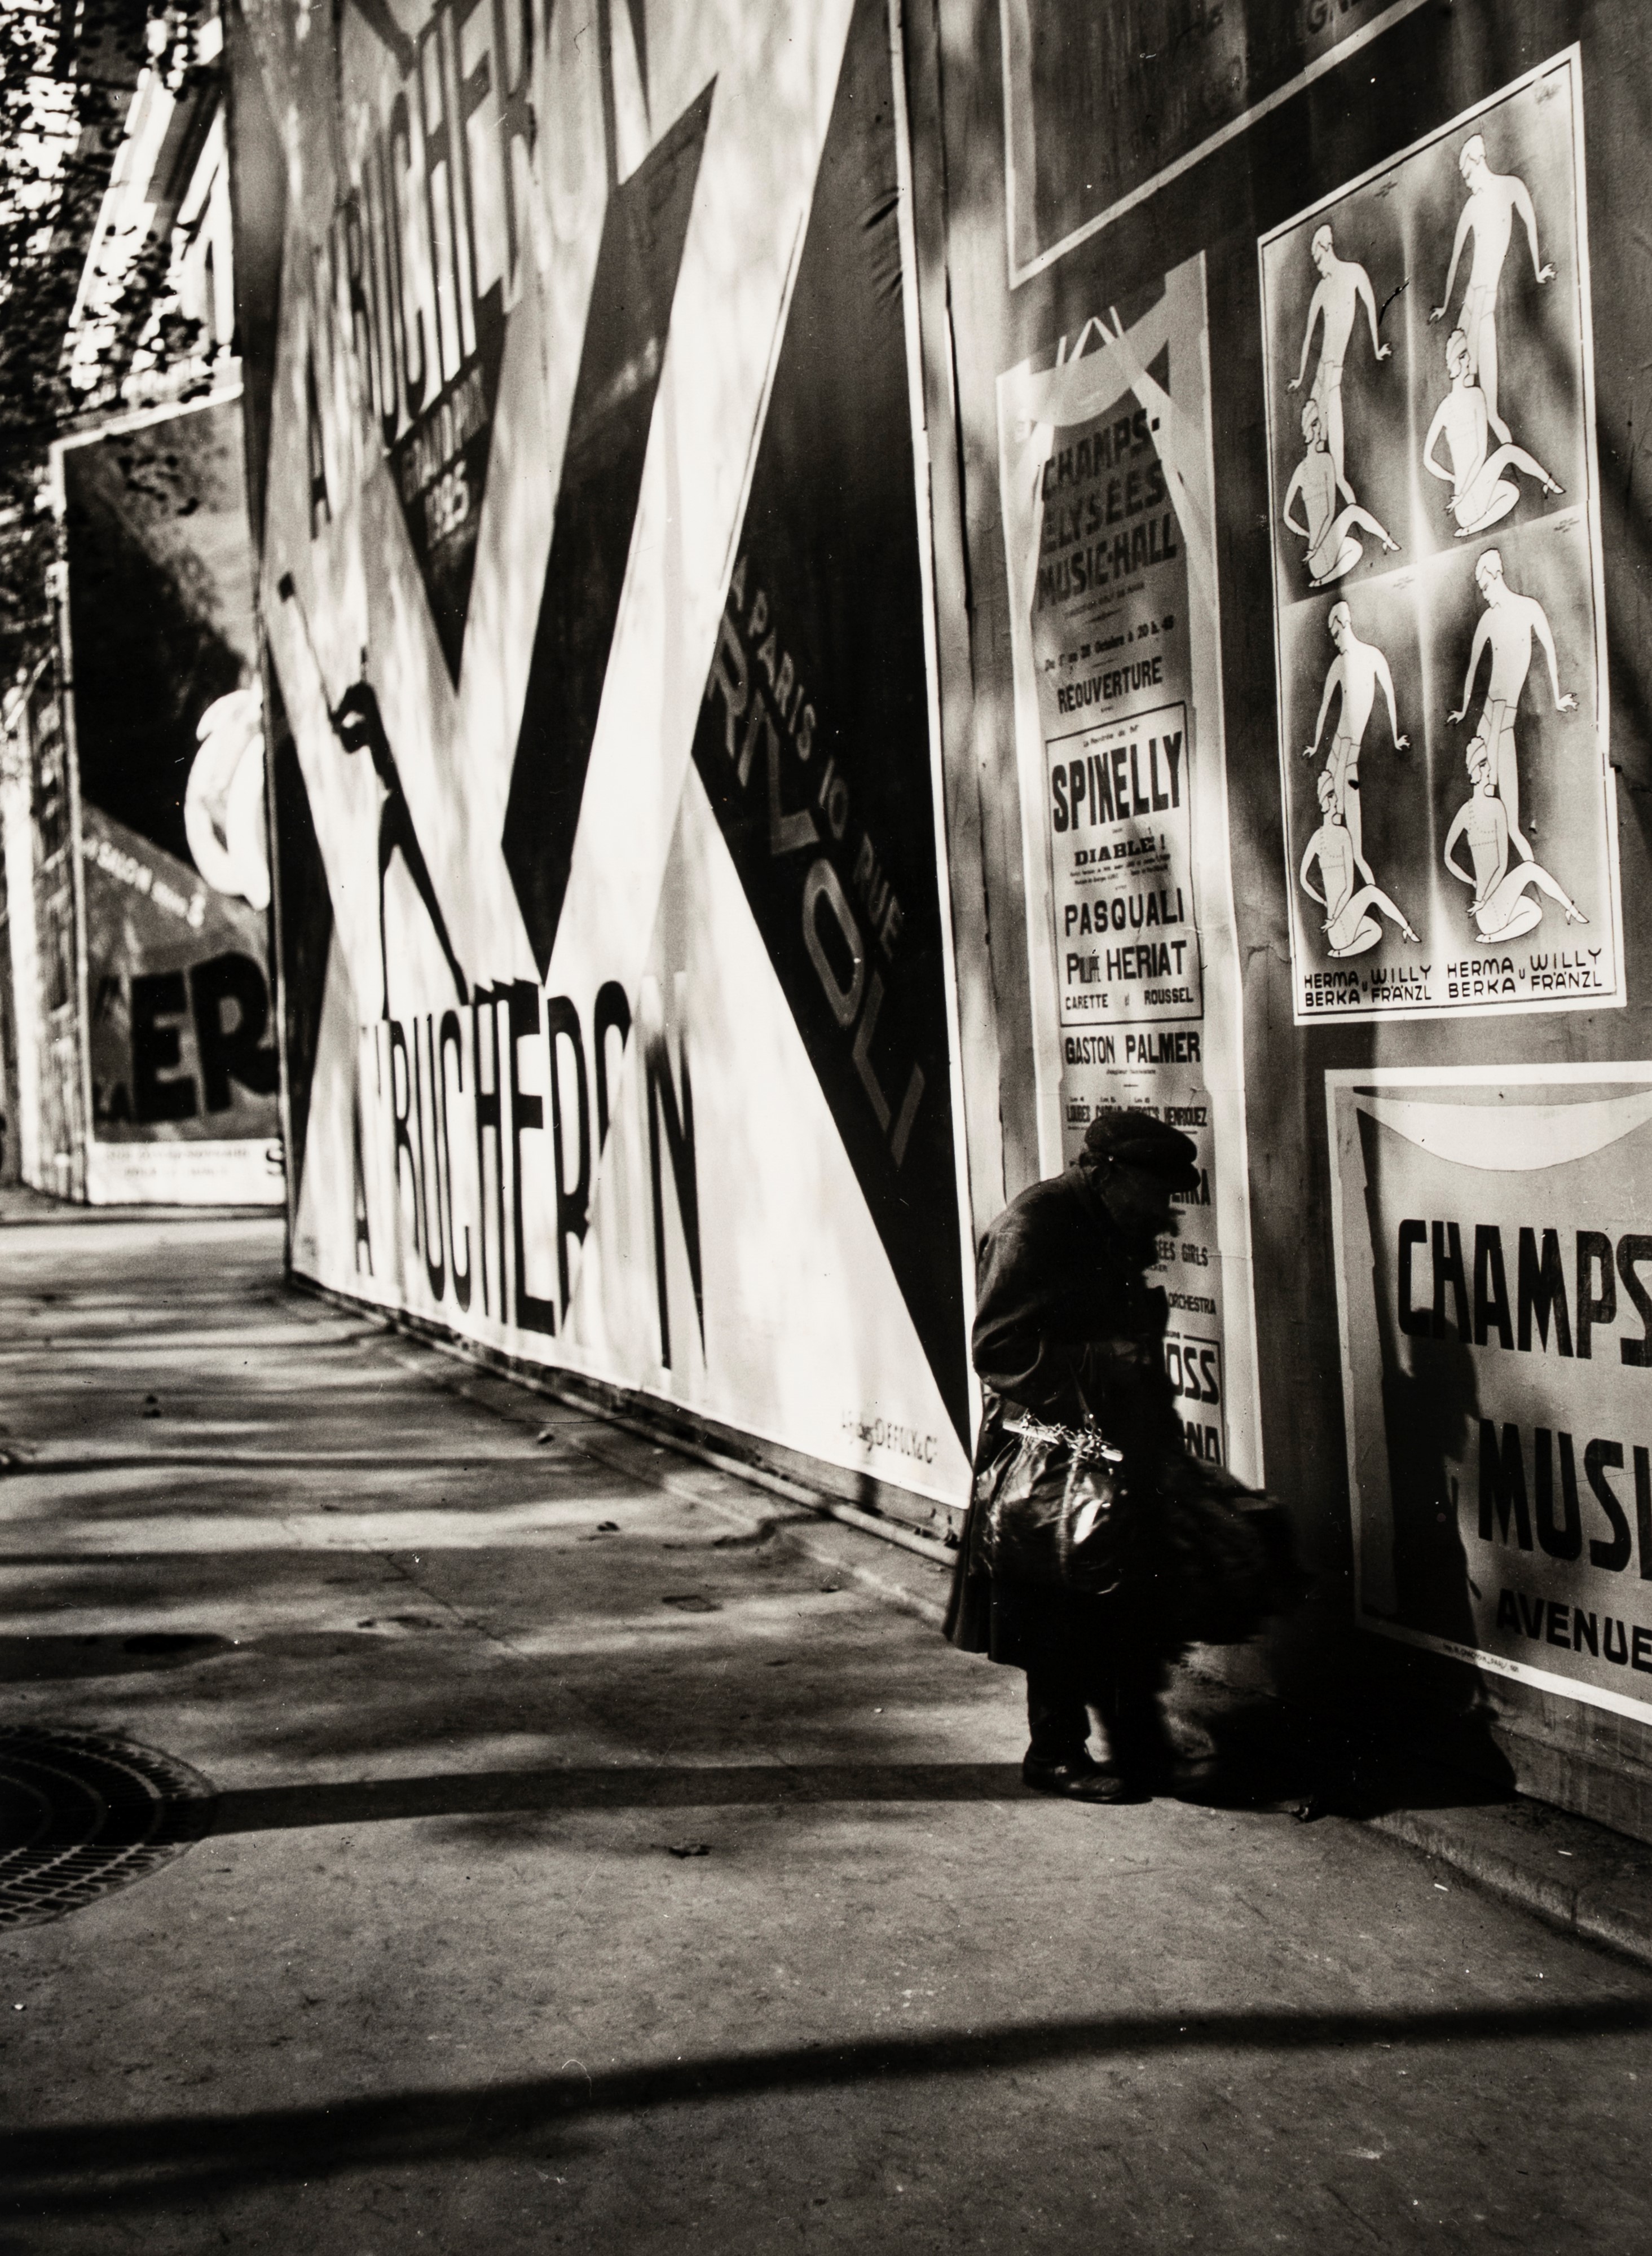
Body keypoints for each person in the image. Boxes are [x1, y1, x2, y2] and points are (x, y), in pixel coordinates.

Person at [944, 1109, 1202, 1802]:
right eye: (1154, 1191)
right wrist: (1099, 1363)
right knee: (1055, 1603)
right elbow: (995, 1350)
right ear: (1106, 1173)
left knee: (1130, 1600)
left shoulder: (1110, 1222)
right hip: (1049, 1455)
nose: (1162, 1209)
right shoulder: (1033, 1226)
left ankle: (1141, 1751)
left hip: (1114, 1443)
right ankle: (1054, 1753)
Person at [1446, 546, 1577, 860]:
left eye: (1486, 587)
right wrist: (1464, 710)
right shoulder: (1488, 620)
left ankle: (1527, 871)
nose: (1486, 595)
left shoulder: (1529, 608)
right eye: (1481, 591)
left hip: (1504, 723)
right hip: (1489, 720)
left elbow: (1549, 651)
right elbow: (1472, 670)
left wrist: (1557, 697)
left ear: (1496, 574)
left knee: (1511, 822)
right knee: (1486, 808)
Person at [1429, 133, 1556, 444]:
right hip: (1469, 306)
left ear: (1478, 160)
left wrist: (1538, 270)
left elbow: (1530, 224)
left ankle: (1509, 461)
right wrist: (1446, 306)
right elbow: (1456, 260)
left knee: (1490, 409)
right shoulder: (1471, 207)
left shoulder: (1511, 187)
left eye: (1468, 175)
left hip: (1485, 311)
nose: (1468, 182)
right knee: (1459, 397)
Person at [1301, 600, 1410, 886]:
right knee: (1331, 834)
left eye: (1335, 634)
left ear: (1344, 624)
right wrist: (1315, 744)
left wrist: (1396, 736)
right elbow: (1325, 706)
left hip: (1350, 760)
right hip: (1336, 754)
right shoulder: (1339, 664)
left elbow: (1389, 695)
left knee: (1356, 847)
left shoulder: (1373, 657)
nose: (1335, 641)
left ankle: (1369, 893)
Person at [1443, 735, 1585, 941]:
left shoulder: (1473, 810)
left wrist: (1475, 884)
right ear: (1479, 769)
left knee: (1535, 912)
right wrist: (1480, 895)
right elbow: (1501, 866)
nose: (1491, 770)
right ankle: (1570, 908)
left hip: (1490, 909)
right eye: (1486, 765)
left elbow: (1448, 859)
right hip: (1488, 906)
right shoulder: (1492, 808)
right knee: (1529, 868)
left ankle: (1492, 937)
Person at [1421, 328, 1562, 536]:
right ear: (1459, 359)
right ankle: (1549, 482)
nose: (1470, 360)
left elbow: (1427, 460)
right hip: (1467, 498)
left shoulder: (1446, 406)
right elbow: (1479, 455)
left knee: (1512, 492)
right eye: (1466, 354)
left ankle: (1469, 529)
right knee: (1507, 452)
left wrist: (1455, 481)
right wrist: (1460, 491)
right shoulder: (1475, 395)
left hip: (1466, 505)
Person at [1286, 222, 1392, 486]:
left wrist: (1377, 347)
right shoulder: (1321, 289)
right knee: (1311, 441)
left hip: (1333, 377)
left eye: (1319, 259)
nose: (1318, 266)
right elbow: (1309, 335)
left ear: (1327, 247)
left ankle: (1344, 499)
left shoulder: (1354, 273)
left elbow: (1370, 307)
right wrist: (1301, 378)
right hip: (1321, 374)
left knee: (1336, 460)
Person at [1299, 769, 1418, 958]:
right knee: (1371, 891)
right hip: (1338, 923)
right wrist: (1332, 914)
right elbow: (1347, 888)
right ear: (1327, 800)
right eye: (1334, 796)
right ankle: (1407, 928)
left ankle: (1341, 952)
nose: (1337, 801)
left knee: (1376, 931)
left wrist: (1325, 903)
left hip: (1337, 926)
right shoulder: (1341, 835)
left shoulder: (1321, 837)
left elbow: (1303, 880)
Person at [1281, 396, 1399, 586]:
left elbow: (1290, 517)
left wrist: (1311, 538)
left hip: (1320, 550)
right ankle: (1387, 539)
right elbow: (1322, 514)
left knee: (1356, 549)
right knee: (1352, 510)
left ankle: (1322, 581)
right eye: (1317, 423)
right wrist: (1312, 541)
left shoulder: (1322, 462)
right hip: (1318, 553)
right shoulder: (1313, 466)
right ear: (1310, 428)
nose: (1321, 428)